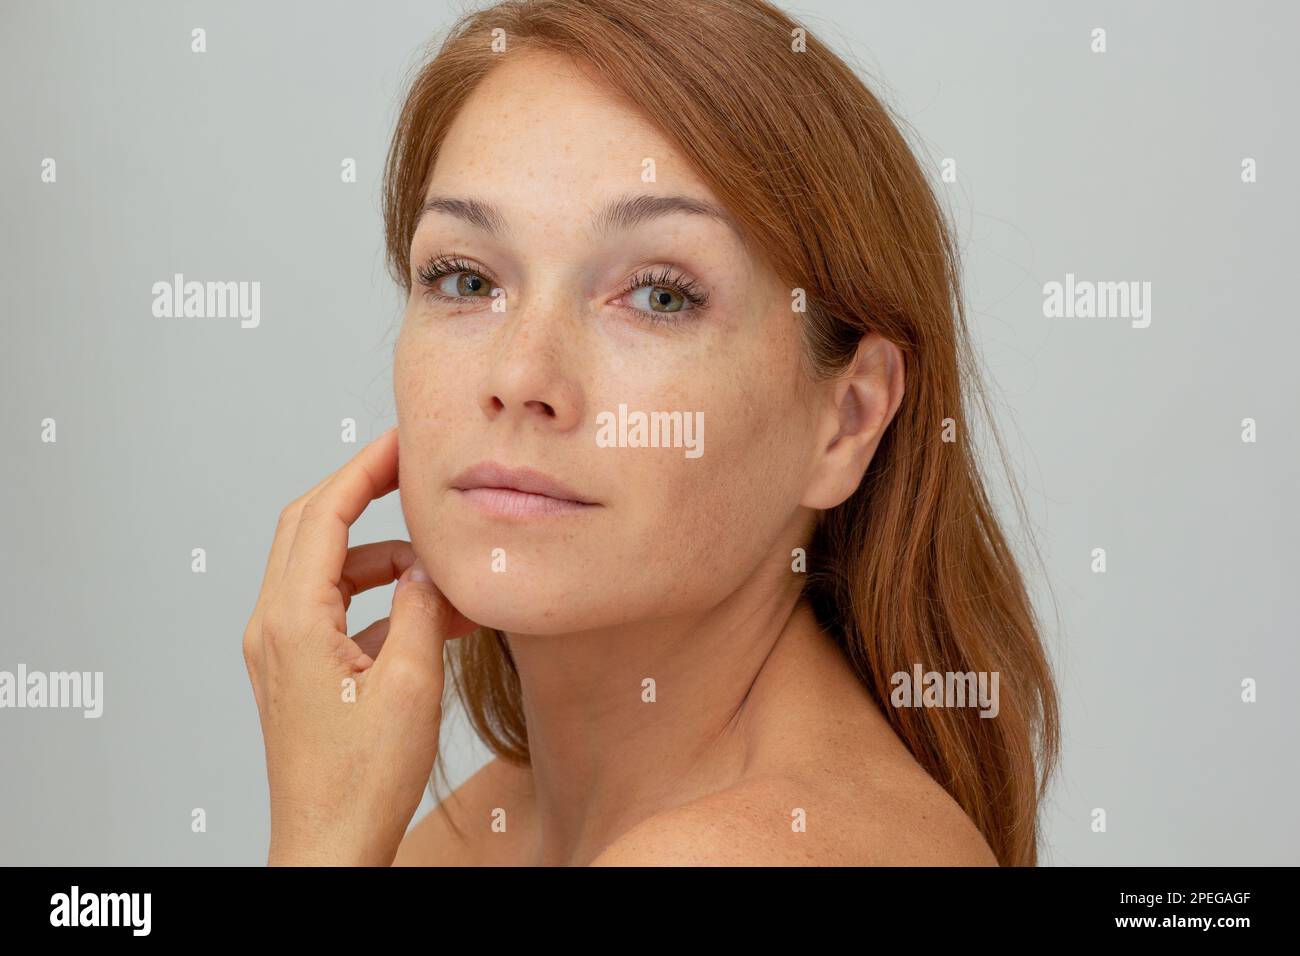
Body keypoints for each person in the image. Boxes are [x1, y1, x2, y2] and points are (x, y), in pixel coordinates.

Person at [242, 0, 1059, 867]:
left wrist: (323, 840)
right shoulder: (468, 840)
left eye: (661, 295)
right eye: (466, 279)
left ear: (847, 420)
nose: (521, 378)